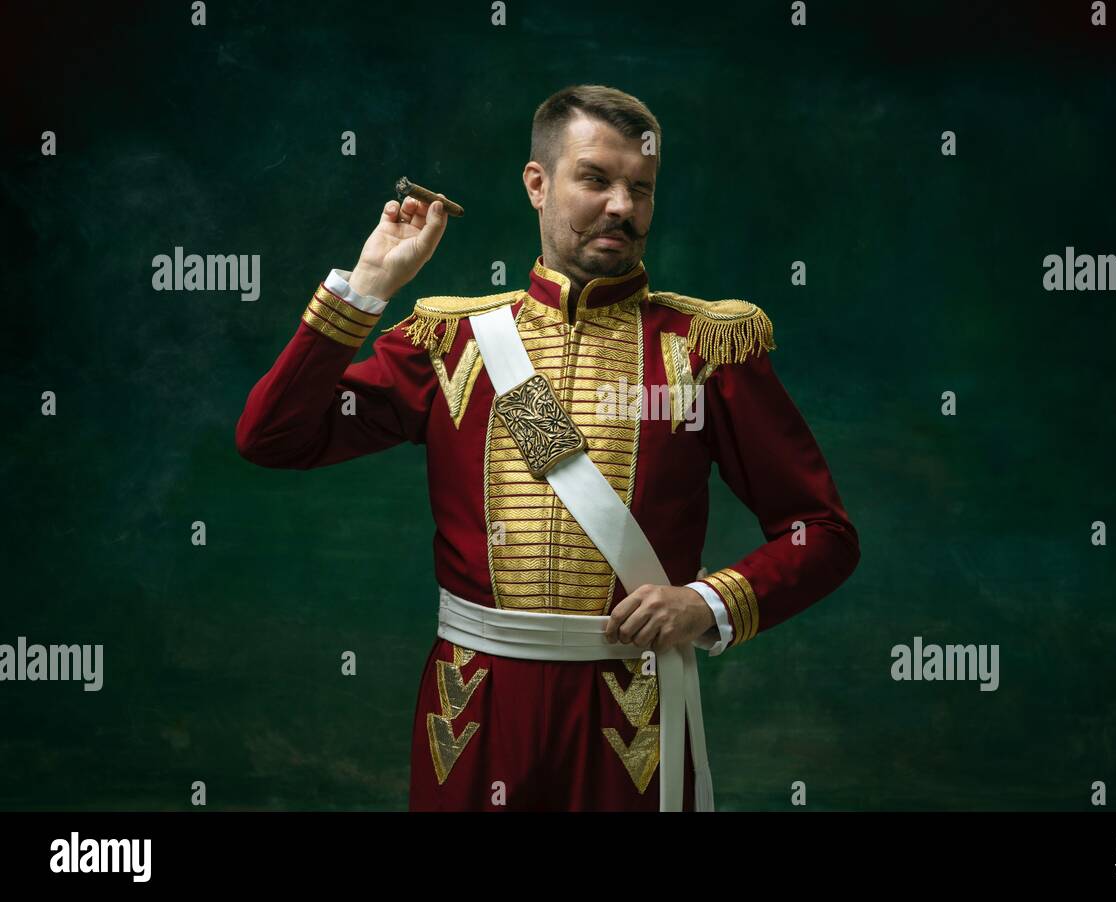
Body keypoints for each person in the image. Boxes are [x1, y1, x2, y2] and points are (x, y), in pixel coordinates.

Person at [235, 84, 859, 811]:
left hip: (633, 720)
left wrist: (706, 603)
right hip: (469, 713)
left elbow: (823, 534)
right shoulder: (451, 340)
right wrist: (369, 286)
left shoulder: (707, 347)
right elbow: (272, 438)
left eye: (641, 188)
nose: (622, 208)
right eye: (595, 180)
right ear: (538, 184)